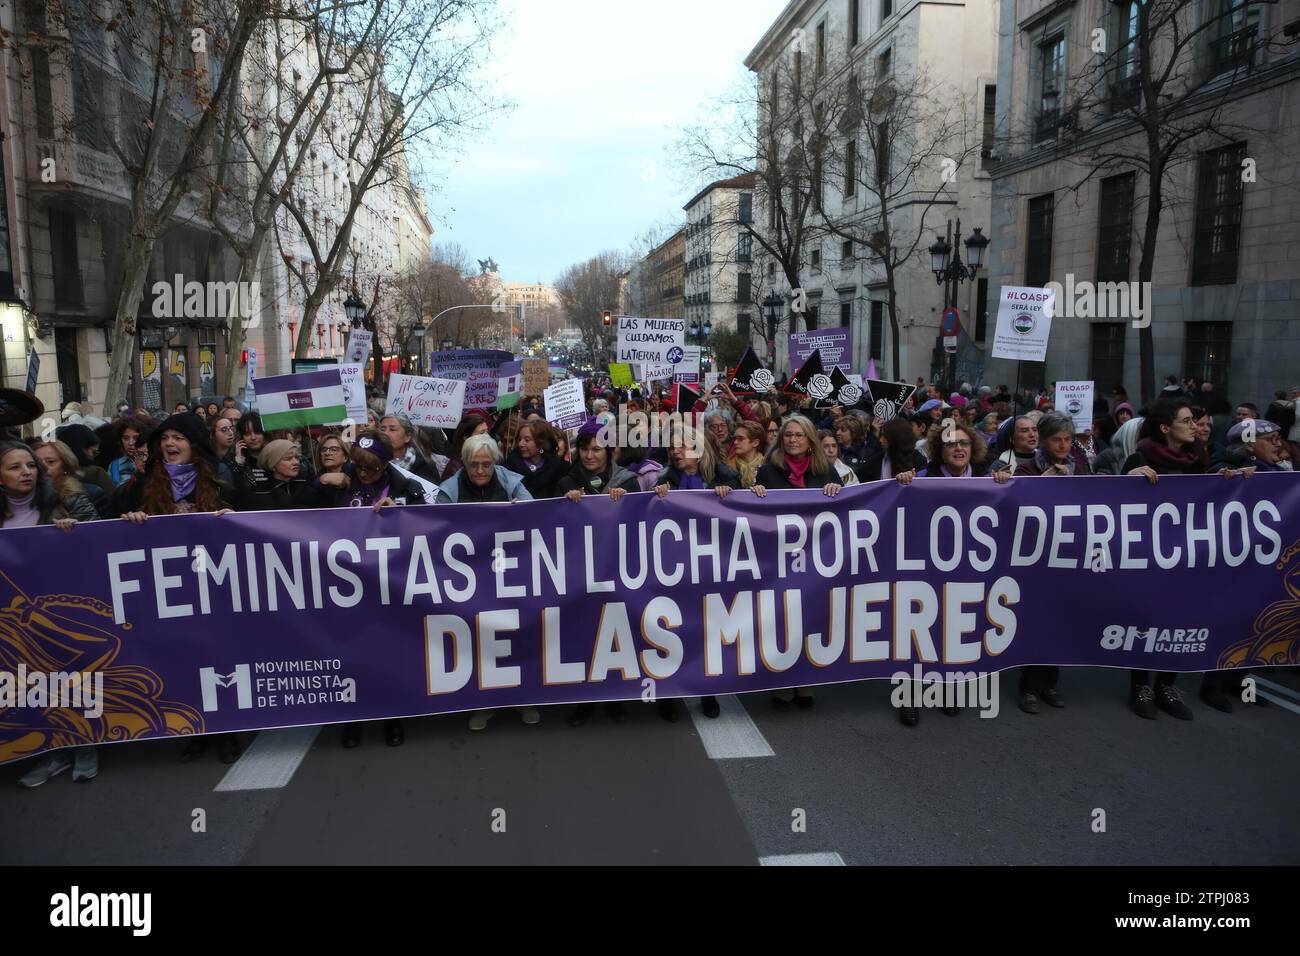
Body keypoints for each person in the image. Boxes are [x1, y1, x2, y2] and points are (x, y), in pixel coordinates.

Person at [113, 414, 241, 763]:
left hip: (215, 586)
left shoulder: (220, 479)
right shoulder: (143, 484)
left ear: (194, 444)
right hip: (170, 591)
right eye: (165, 438)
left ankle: (227, 729)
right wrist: (132, 519)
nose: (170, 444)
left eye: (179, 438)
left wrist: (233, 518)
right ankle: (195, 728)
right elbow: (112, 529)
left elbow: (251, 527)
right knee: (186, 659)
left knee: (219, 660)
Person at [1120, 399, 1245, 720]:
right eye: (1187, 421)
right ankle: (1141, 686)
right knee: (1148, 621)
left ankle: (1166, 685)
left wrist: (1230, 484)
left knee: (1181, 619)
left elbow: (1208, 499)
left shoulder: (1197, 458)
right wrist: (1128, 477)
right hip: (1147, 557)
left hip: (1187, 557)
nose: (1195, 426)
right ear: (1166, 428)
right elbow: (1112, 504)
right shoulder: (1141, 456)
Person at [893, 420, 1010, 726]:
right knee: (918, 630)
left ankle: (949, 689)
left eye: (964, 443)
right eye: (950, 443)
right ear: (938, 450)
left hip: (969, 571)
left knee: (957, 631)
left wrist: (1005, 483)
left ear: (974, 448)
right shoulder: (921, 478)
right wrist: (904, 481)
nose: (958, 448)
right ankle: (910, 694)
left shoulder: (990, 479)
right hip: (925, 569)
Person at [1, 441, 101, 786]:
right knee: (30, 684)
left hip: (61, 610)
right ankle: (51, 750)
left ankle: (86, 745)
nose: (25, 472)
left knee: (75, 677)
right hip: (12, 619)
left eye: (30, 466)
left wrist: (72, 534)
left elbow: (101, 542)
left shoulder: (62, 502)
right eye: (14, 467)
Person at [751, 415, 843, 712]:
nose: (792, 439)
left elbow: (850, 508)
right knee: (782, 621)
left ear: (810, 440)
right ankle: (781, 683)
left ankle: (805, 682)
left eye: (799, 435)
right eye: (788, 435)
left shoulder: (826, 471)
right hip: (779, 559)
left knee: (810, 620)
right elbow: (753, 513)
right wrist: (756, 495)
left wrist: (837, 494)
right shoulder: (767, 472)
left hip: (816, 559)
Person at [1011, 412, 1095, 714]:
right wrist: (1039, 484)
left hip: (1069, 555)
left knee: (1059, 620)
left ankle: (1050, 683)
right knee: (1036, 621)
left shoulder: (1081, 466)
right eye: (1057, 439)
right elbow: (1016, 504)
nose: (1063, 445)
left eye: (1068, 439)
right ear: (1044, 441)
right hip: (1036, 557)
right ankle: (1029, 686)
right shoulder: (1028, 468)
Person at [559, 421, 640, 727]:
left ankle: (616, 697)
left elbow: (639, 524)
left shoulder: (627, 482)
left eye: (596, 449)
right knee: (585, 636)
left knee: (617, 636)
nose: (590, 455)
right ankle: (586, 699)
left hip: (617, 571)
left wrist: (625, 501)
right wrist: (566, 503)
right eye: (584, 448)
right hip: (581, 574)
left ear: (609, 451)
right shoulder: (565, 482)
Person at [234, 439, 324, 511]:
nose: (295, 462)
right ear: (273, 465)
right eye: (288, 459)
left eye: (297, 457)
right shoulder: (259, 494)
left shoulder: (308, 489)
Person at [503, 419, 568, 499]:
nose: (521, 444)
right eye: (519, 439)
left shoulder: (560, 467)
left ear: (542, 443)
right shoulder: (509, 467)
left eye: (527, 440)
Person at [379, 414, 444, 485]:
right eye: (382, 430)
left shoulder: (425, 465)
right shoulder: (373, 462)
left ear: (408, 436)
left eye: (392, 429)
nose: (385, 434)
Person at [109, 415, 152, 486]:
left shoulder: (153, 460)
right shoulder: (115, 466)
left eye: (135, 438)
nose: (131, 443)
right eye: (126, 438)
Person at [728, 420, 767, 489]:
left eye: (741, 439)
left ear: (755, 443)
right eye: (735, 438)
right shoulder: (727, 467)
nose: (735, 442)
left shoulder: (768, 465)